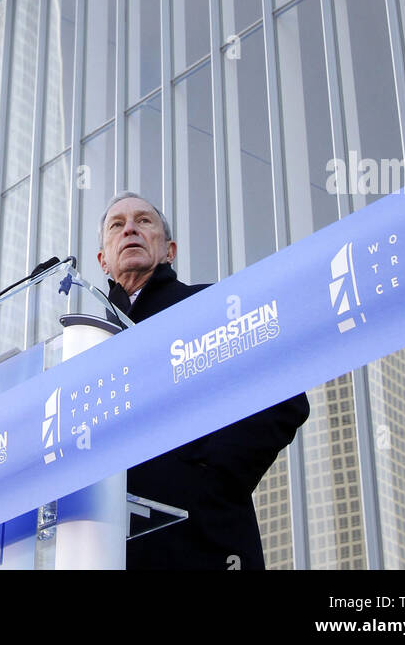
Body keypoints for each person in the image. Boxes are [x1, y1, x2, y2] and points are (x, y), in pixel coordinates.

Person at [98, 191, 310, 570]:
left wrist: (210, 472)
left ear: (170, 250)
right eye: (117, 225)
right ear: (103, 261)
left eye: (144, 221)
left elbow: (284, 392)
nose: (130, 228)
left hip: (203, 543)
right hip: (107, 551)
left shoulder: (212, 305)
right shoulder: (84, 349)